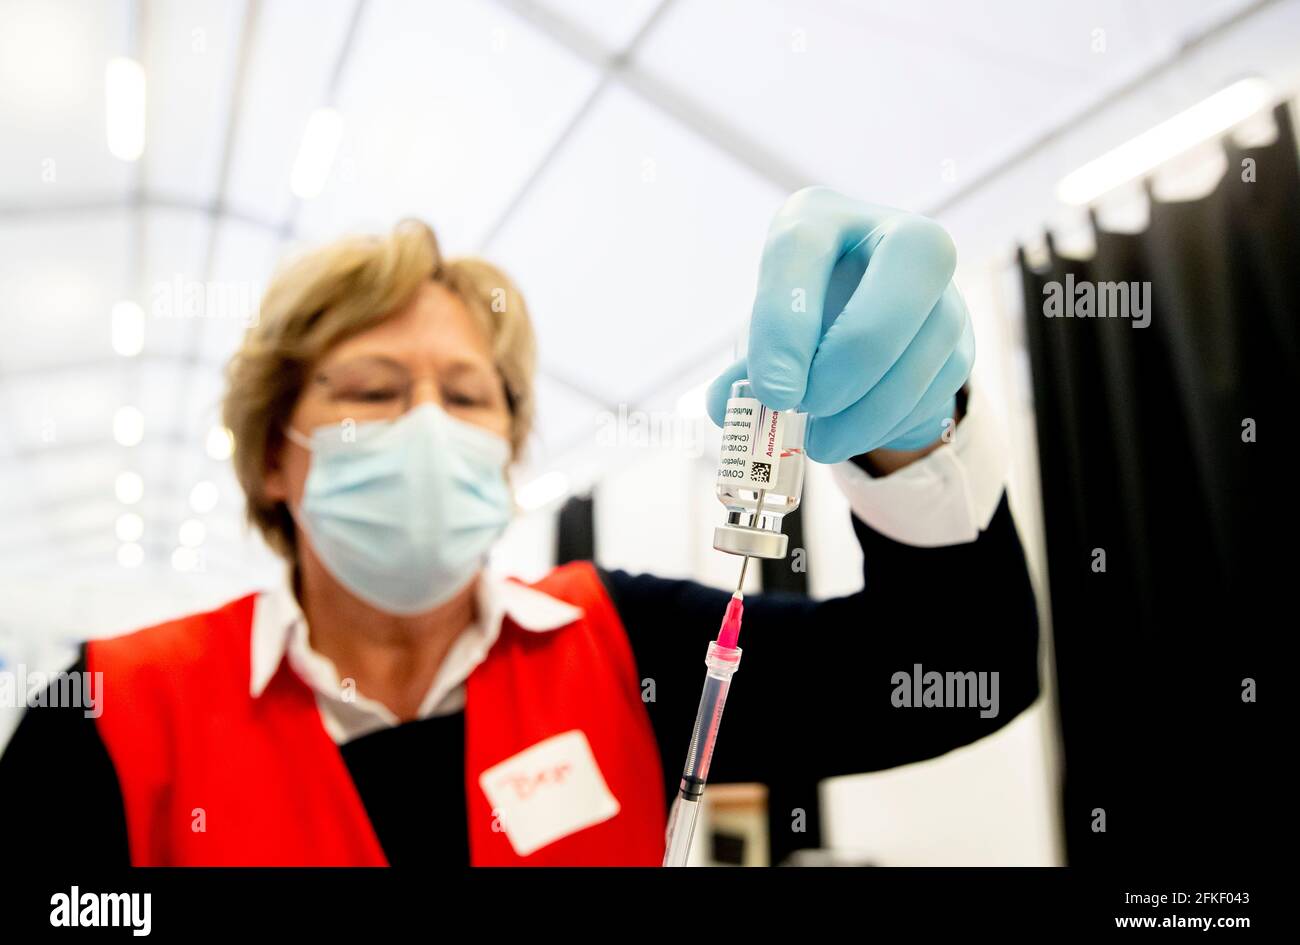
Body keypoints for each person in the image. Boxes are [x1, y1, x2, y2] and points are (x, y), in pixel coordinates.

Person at [0, 187, 1038, 865]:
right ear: (275, 454)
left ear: (507, 449)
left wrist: (908, 436)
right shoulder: (104, 717)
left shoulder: (624, 646)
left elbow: (960, 666)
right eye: (368, 388)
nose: (424, 427)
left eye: (465, 395)